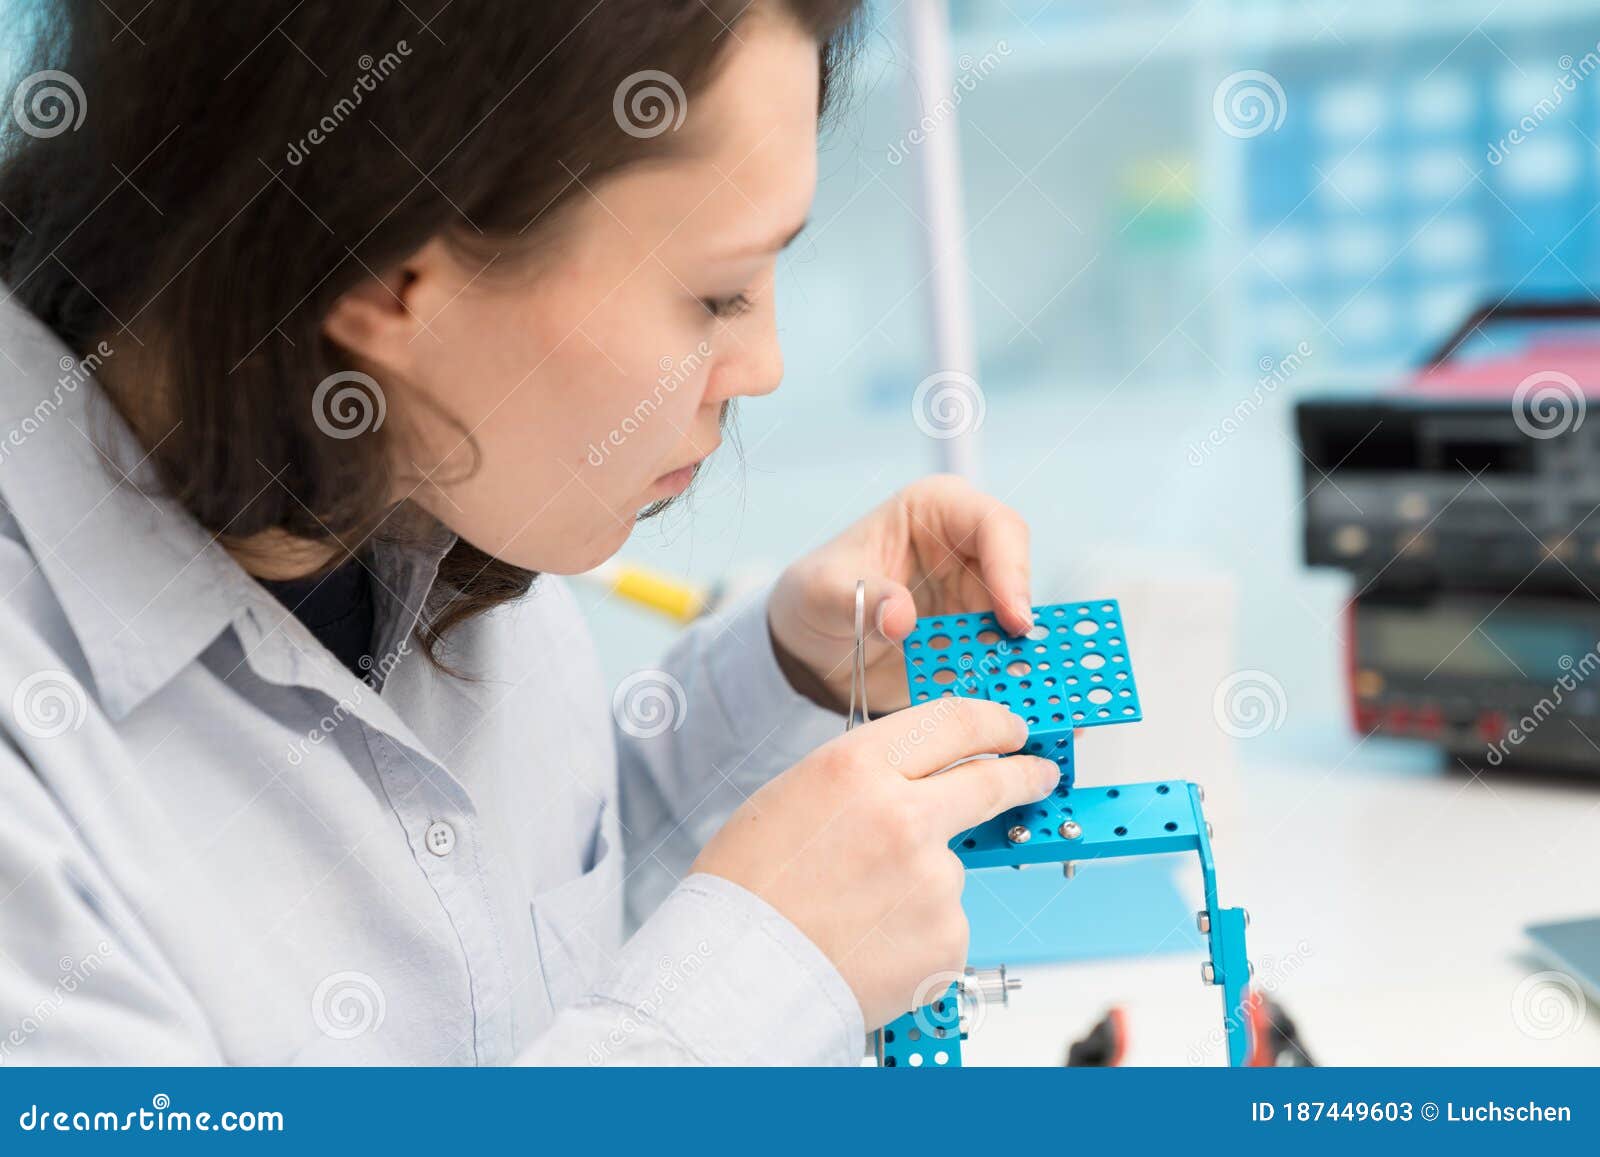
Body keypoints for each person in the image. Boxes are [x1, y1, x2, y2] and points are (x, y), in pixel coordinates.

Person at [0, 0, 1056, 1065]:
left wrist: (783, 680)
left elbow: (504, 947)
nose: (765, 366)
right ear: (387, 279)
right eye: (718, 293)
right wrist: (755, 980)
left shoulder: (433, 458)